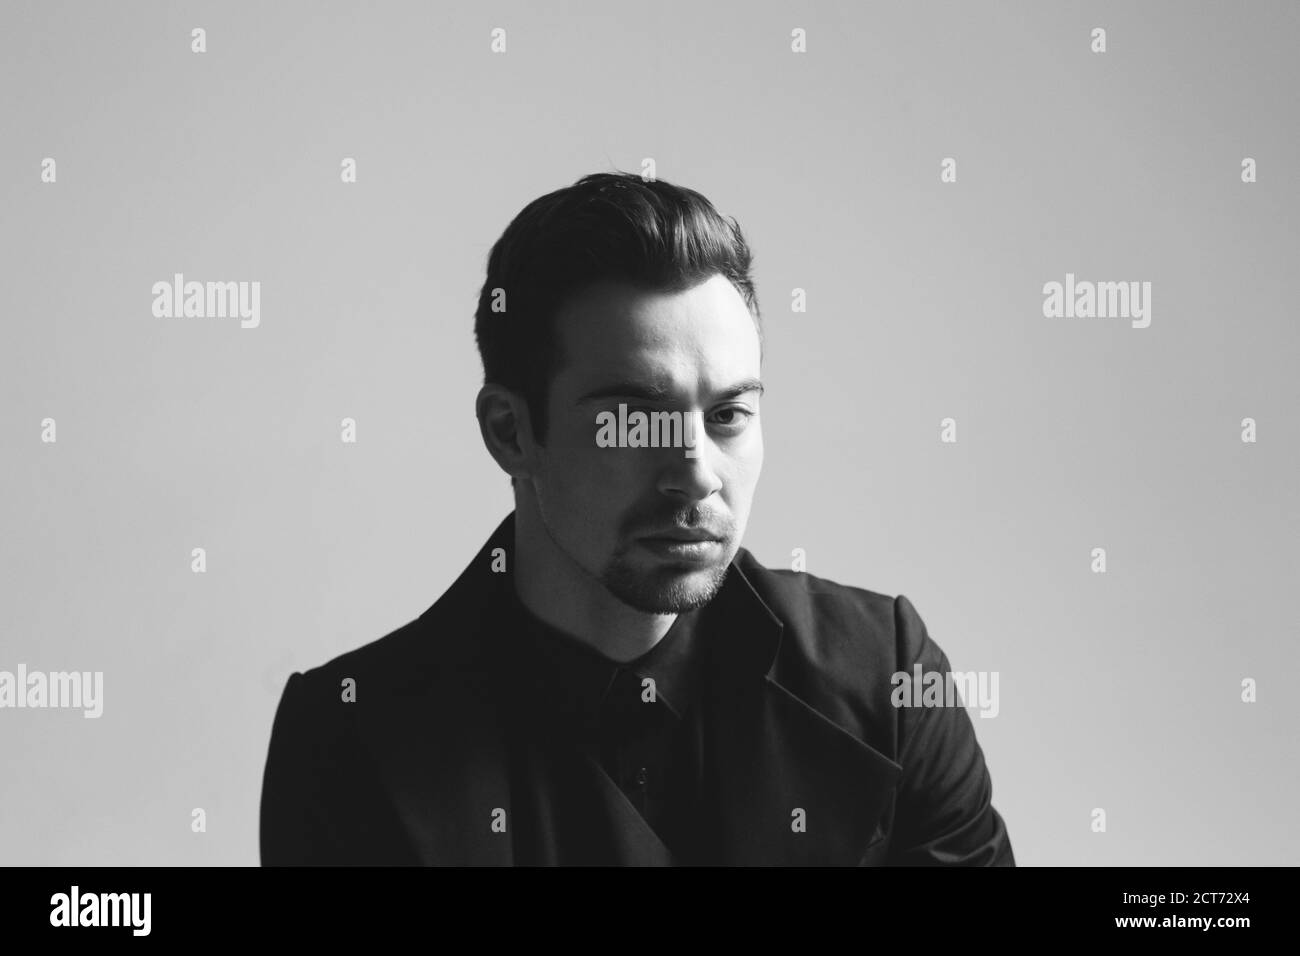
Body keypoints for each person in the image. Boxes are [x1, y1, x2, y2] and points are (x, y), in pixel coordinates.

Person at [259, 171, 1014, 866]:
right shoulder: (348, 741)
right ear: (511, 433)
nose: (695, 472)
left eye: (727, 415)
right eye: (633, 420)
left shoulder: (888, 675)